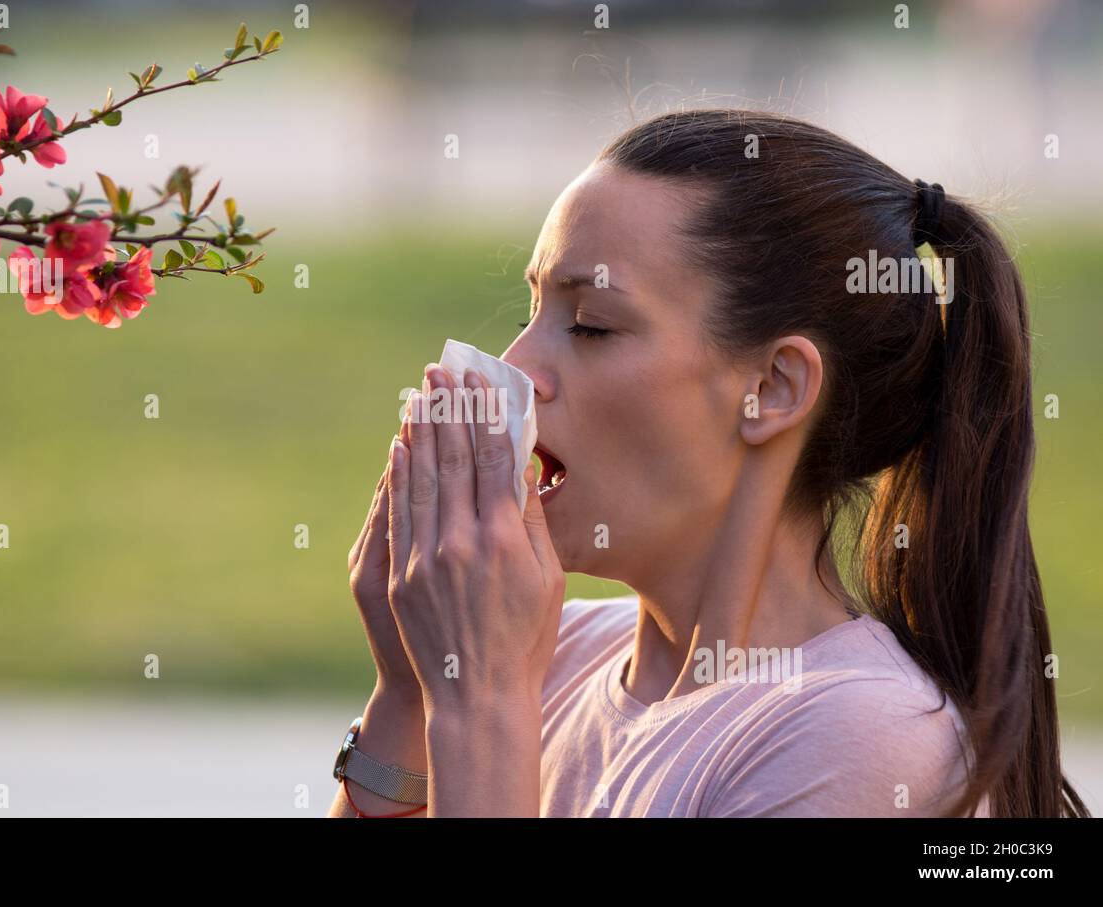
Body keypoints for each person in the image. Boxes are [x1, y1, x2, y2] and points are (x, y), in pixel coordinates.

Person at [327, 110, 1088, 818]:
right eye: (532, 315)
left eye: (590, 325)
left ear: (772, 388)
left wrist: (481, 703)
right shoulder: (549, 652)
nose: (516, 368)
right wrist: (410, 694)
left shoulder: (860, 737)